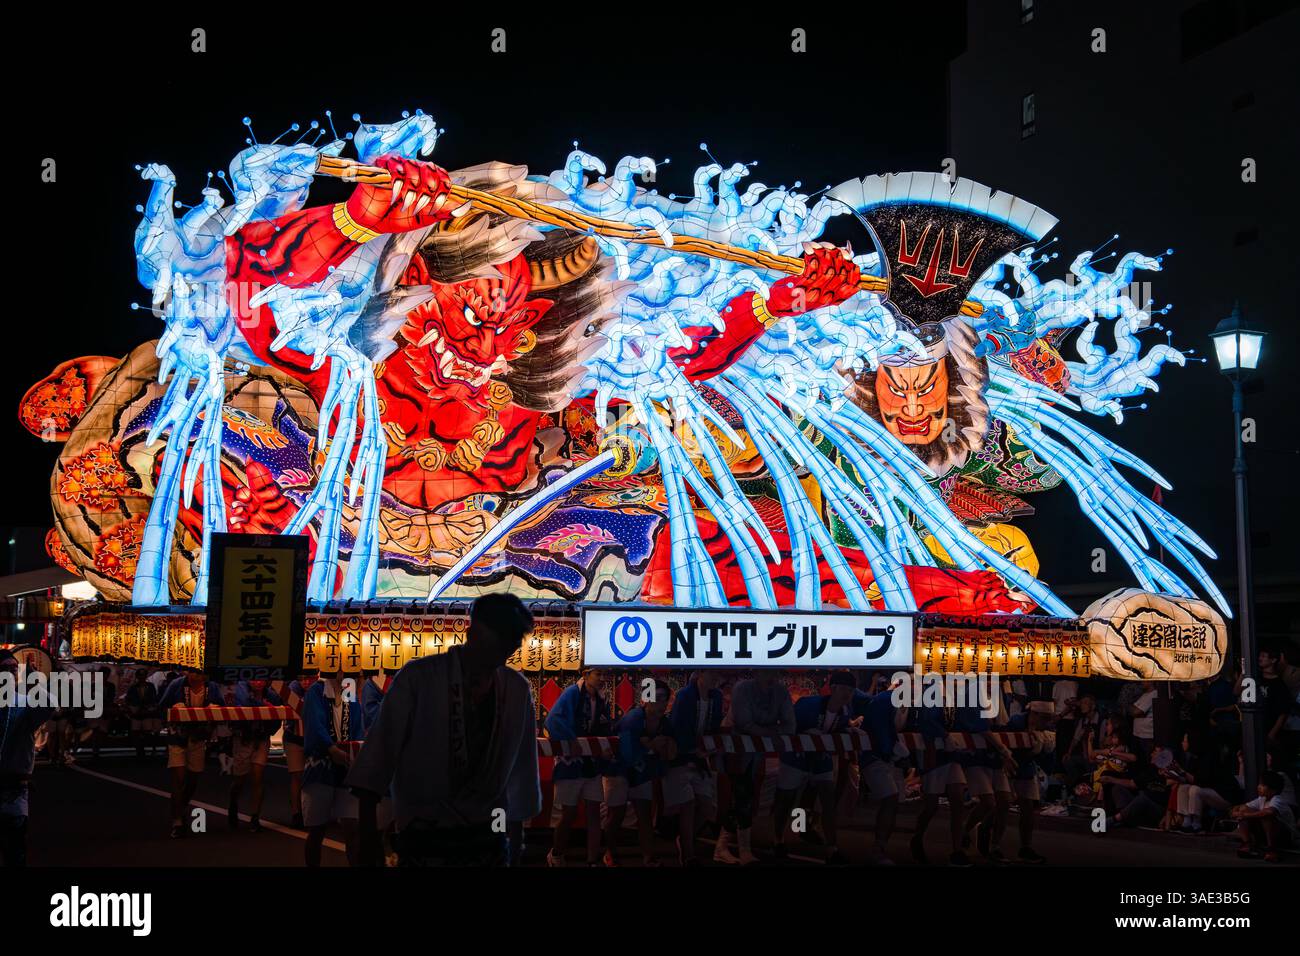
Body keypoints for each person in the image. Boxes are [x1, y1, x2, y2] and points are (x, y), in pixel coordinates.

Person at [347, 593, 541, 866]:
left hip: (491, 832)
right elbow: (379, 754)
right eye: (495, 639)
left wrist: (515, 840)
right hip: (424, 832)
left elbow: (522, 771)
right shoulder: (419, 678)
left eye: (509, 644)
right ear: (472, 632)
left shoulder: (516, 689)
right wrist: (369, 838)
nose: (500, 651)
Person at [772, 671, 859, 864]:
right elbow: (788, 727)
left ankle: (830, 846)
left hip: (821, 758)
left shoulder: (845, 711)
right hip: (796, 757)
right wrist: (803, 734)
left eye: (851, 691)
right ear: (833, 688)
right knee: (787, 798)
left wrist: (848, 730)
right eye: (844, 689)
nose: (847, 694)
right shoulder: (807, 705)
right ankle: (779, 838)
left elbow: (838, 729)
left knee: (827, 799)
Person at [720, 669, 794, 865]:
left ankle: (725, 845)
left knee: (745, 797)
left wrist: (768, 733)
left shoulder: (780, 692)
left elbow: (790, 724)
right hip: (736, 749)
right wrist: (773, 733)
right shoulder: (742, 689)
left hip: (758, 753)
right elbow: (744, 723)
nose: (771, 677)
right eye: (767, 672)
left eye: (774, 673)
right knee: (740, 796)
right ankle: (739, 849)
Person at [604, 679, 676, 866]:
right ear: (645, 699)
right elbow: (627, 754)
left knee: (644, 813)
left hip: (642, 770)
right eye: (656, 698)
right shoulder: (634, 718)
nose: (661, 703)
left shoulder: (665, 724)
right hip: (617, 768)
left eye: (664, 699)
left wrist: (658, 751)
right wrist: (651, 746)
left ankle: (648, 856)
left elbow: (671, 752)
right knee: (616, 814)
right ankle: (609, 852)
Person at [544, 667, 611, 866]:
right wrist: (570, 739)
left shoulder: (601, 698)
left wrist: (606, 746)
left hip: (592, 763)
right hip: (570, 763)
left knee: (594, 812)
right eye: (597, 674)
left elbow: (606, 725)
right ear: (585, 675)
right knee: (569, 813)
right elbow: (552, 720)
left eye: (604, 675)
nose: (602, 678)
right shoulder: (572, 692)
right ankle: (556, 853)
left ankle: (592, 860)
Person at [665, 669, 724, 866]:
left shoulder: (716, 696)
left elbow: (714, 726)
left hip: (700, 758)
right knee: (688, 805)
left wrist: (709, 748)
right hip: (681, 757)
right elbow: (678, 726)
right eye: (711, 674)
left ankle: (685, 839)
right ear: (699, 675)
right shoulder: (685, 695)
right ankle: (688, 853)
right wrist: (693, 748)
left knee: (709, 808)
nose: (716, 678)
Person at [1, 650, 52, 866]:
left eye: (14, 669)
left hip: (14, 789)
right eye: (5, 669)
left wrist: (35, 684)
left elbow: (48, 707)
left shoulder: (24, 701)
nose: (12, 673)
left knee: (16, 852)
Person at [158, 669, 223, 838]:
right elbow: (161, 706)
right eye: (193, 672)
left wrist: (214, 711)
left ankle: (181, 805)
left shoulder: (212, 687)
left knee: (194, 778)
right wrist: (173, 710)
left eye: (200, 672)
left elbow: (223, 708)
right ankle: (177, 820)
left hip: (199, 737)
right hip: (177, 735)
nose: (196, 676)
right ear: (187, 672)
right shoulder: (176, 684)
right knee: (178, 778)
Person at [855, 673, 910, 865]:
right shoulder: (884, 700)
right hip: (875, 756)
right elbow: (880, 731)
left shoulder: (902, 702)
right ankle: (878, 849)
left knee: (894, 802)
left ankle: (882, 846)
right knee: (890, 799)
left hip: (889, 757)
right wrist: (895, 751)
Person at [910, 694, 970, 867]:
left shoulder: (957, 695)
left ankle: (957, 850)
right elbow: (926, 721)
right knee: (931, 804)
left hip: (951, 752)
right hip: (933, 751)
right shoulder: (933, 693)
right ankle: (917, 837)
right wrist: (944, 736)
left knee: (958, 799)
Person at [957, 700, 1015, 864]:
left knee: (1005, 801)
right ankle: (965, 830)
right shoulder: (970, 698)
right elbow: (980, 726)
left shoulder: (1000, 699)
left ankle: (994, 845)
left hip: (996, 758)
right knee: (989, 802)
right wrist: (1004, 750)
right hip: (977, 757)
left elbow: (1005, 725)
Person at [228, 678, 283, 833]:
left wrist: (270, 729)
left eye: (262, 679)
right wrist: (265, 707)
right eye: (254, 678)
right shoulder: (242, 687)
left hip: (262, 737)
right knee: (240, 778)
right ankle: (233, 803)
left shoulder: (271, 695)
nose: (258, 682)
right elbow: (245, 702)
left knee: (258, 776)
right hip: (243, 737)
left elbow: (278, 714)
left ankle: (255, 817)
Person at [1004, 701, 1053, 863]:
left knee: (1028, 809)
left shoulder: (1046, 729)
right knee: (1000, 806)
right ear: (1035, 714)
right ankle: (988, 839)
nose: (1046, 722)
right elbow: (1005, 744)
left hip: (1026, 766)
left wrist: (1039, 744)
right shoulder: (1016, 722)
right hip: (1008, 765)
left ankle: (1025, 847)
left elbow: (1045, 754)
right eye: (1045, 718)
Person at [1232, 770, 1297, 863]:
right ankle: (1247, 844)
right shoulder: (1262, 799)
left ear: (1273, 790)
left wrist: (1245, 815)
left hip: (1285, 838)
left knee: (1266, 815)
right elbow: (1243, 807)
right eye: (1259, 784)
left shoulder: (1278, 799)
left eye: (1262, 785)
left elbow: (1270, 812)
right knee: (1244, 811)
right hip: (1269, 835)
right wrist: (1236, 811)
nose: (1259, 787)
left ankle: (1272, 849)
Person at [282, 671, 315, 829]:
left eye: (308, 678)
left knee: (312, 777)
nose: (305, 682)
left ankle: (310, 811)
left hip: (313, 738)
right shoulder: (293, 687)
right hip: (293, 737)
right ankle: (297, 813)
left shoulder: (319, 688)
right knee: (297, 775)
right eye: (302, 678)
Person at [124, 668, 161, 759]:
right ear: (137, 677)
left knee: (147, 732)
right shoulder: (133, 687)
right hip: (136, 713)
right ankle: (139, 750)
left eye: (143, 675)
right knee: (136, 733)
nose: (142, 677)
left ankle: (143, 749)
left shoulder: (150, 686)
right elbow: (128, 699)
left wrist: (148, 707)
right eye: (140, 676)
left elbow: (154, 698)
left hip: (146, 712)